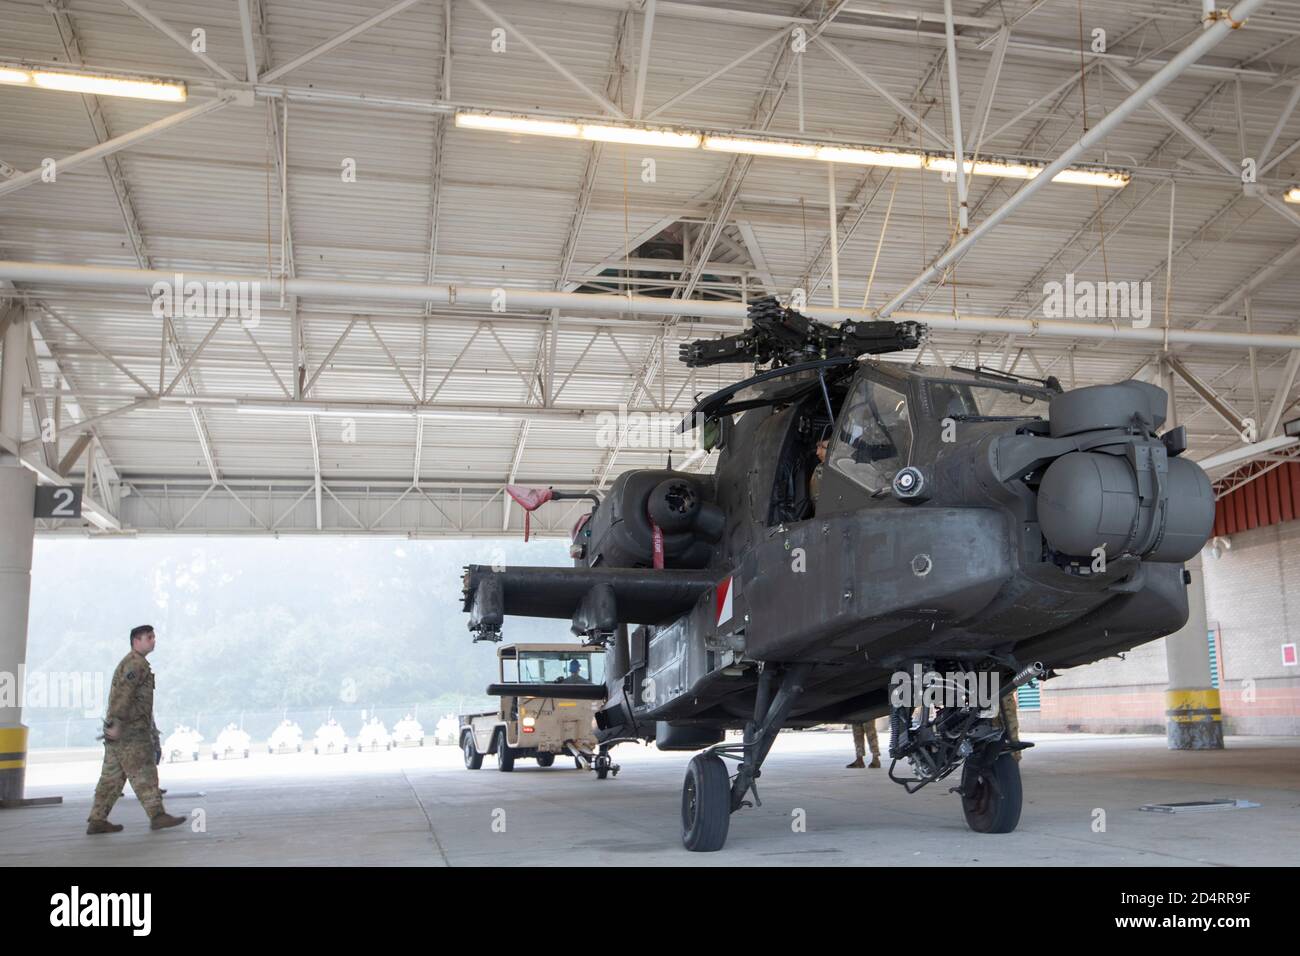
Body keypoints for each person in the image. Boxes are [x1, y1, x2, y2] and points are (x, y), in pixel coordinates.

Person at [87, 625, 186, 834]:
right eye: (149, 637)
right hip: (130, 732)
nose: (153, 641)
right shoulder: (135, 664)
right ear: (136, 641)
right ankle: (157, 816)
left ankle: (97, 819)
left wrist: (114, 723)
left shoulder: (134, 663)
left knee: (111, 777)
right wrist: (117, 722)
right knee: (145, 772)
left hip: (122, 731)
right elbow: (123, 695)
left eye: (153, 637)